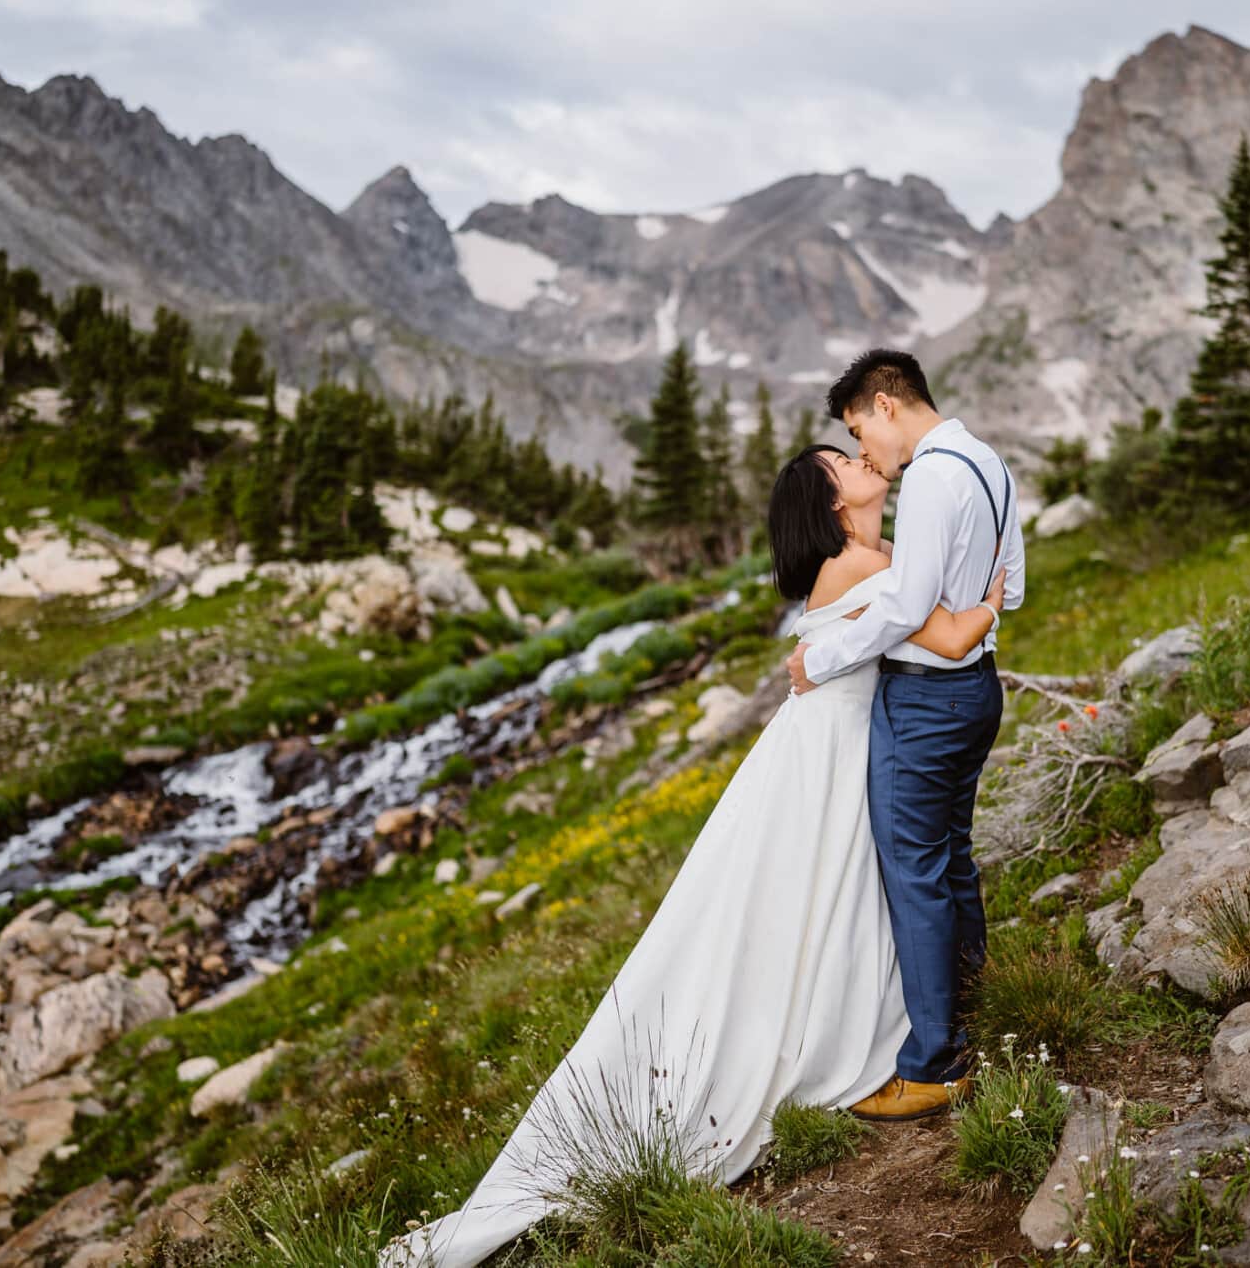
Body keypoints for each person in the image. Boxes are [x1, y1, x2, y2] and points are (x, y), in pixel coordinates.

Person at [379, 439, 1005, 1267]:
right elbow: (945, 630)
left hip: (851, 741)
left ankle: (898, 1011)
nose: (864, 460)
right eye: (843, 461)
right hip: (825, 752)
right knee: (804, 896)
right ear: (828, 500)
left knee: (842, 894)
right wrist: (993, 601)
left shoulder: (878, 553)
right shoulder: (856, 565)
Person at [786, 348, 1023, 1120]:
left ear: (885, 405)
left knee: (914, 873)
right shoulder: (987, 460)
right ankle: (973, 1000)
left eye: (858, 428)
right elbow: (1008, 581)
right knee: (951, 855)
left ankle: (933, 1062)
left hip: (925, 704)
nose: (865, 450)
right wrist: (976, 623)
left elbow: (905, 605)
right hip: (978, 691)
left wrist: (819, 658)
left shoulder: (927, 475)